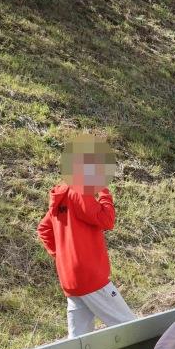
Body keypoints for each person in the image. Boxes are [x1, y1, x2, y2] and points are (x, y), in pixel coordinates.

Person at [37, 135, 135, 338]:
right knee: (131, 329)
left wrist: (62, 256)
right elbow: (107, 220)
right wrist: (105, 193)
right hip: (90, 276)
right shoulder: (79, 192)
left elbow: (44, 229)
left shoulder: (60, 196)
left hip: (71, 279)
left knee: (78, 342)